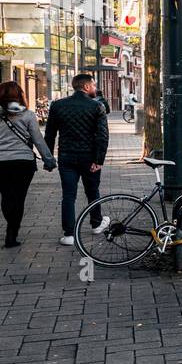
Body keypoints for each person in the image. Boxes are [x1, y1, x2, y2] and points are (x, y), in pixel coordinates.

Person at [0, 81, 56, 248]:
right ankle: (12, 233)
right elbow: (38, 140)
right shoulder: (28, 115)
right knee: (19, 197)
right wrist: (49, 160)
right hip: (23, 162)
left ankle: (11, 230)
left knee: (7, 196)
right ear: (19, 95)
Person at [45, 73, 110, 246]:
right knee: (92, 191)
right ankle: (96, 223)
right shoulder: (97, 107)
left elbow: (50, 134)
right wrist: (99, 160)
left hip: (66, 157)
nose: (95, 88)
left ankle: (69, 234)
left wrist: (48, 158)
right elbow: (103, 136)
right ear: (87, 87)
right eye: (94, 85)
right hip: (89, 158)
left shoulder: (58, 105)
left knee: (68, 195)